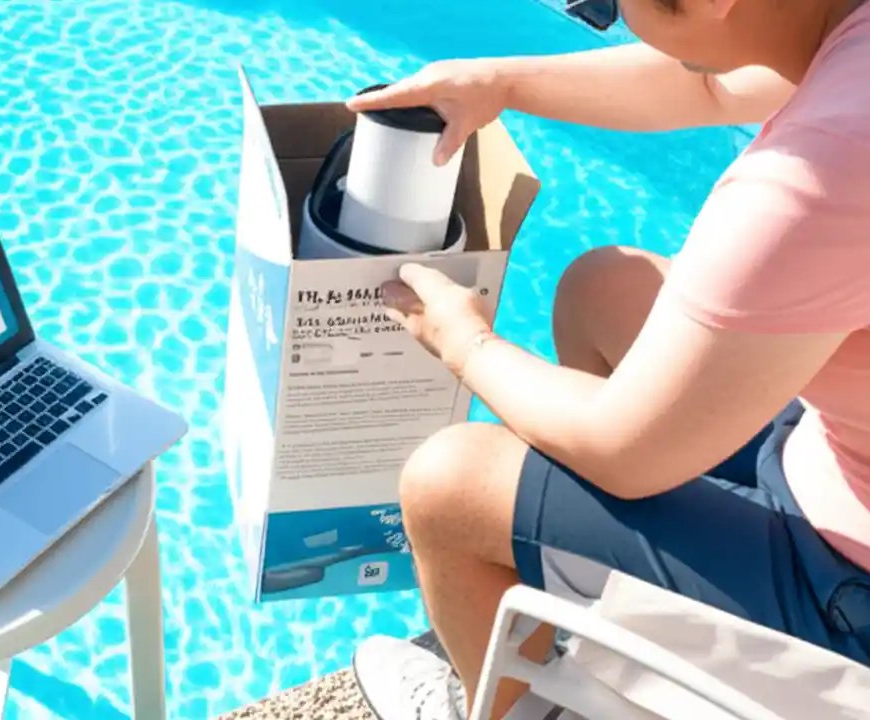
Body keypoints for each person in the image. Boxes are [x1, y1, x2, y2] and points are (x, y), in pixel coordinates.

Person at [345, 0, 870, 718]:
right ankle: (596, 620)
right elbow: (709, 86)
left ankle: (511, 704)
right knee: (604, 291)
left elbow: (622, 452)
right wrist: (500, 81)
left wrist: (461, 340)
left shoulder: (816, 174)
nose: (602, 16)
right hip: (833, 461)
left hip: (847, 600)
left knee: (449, 486)